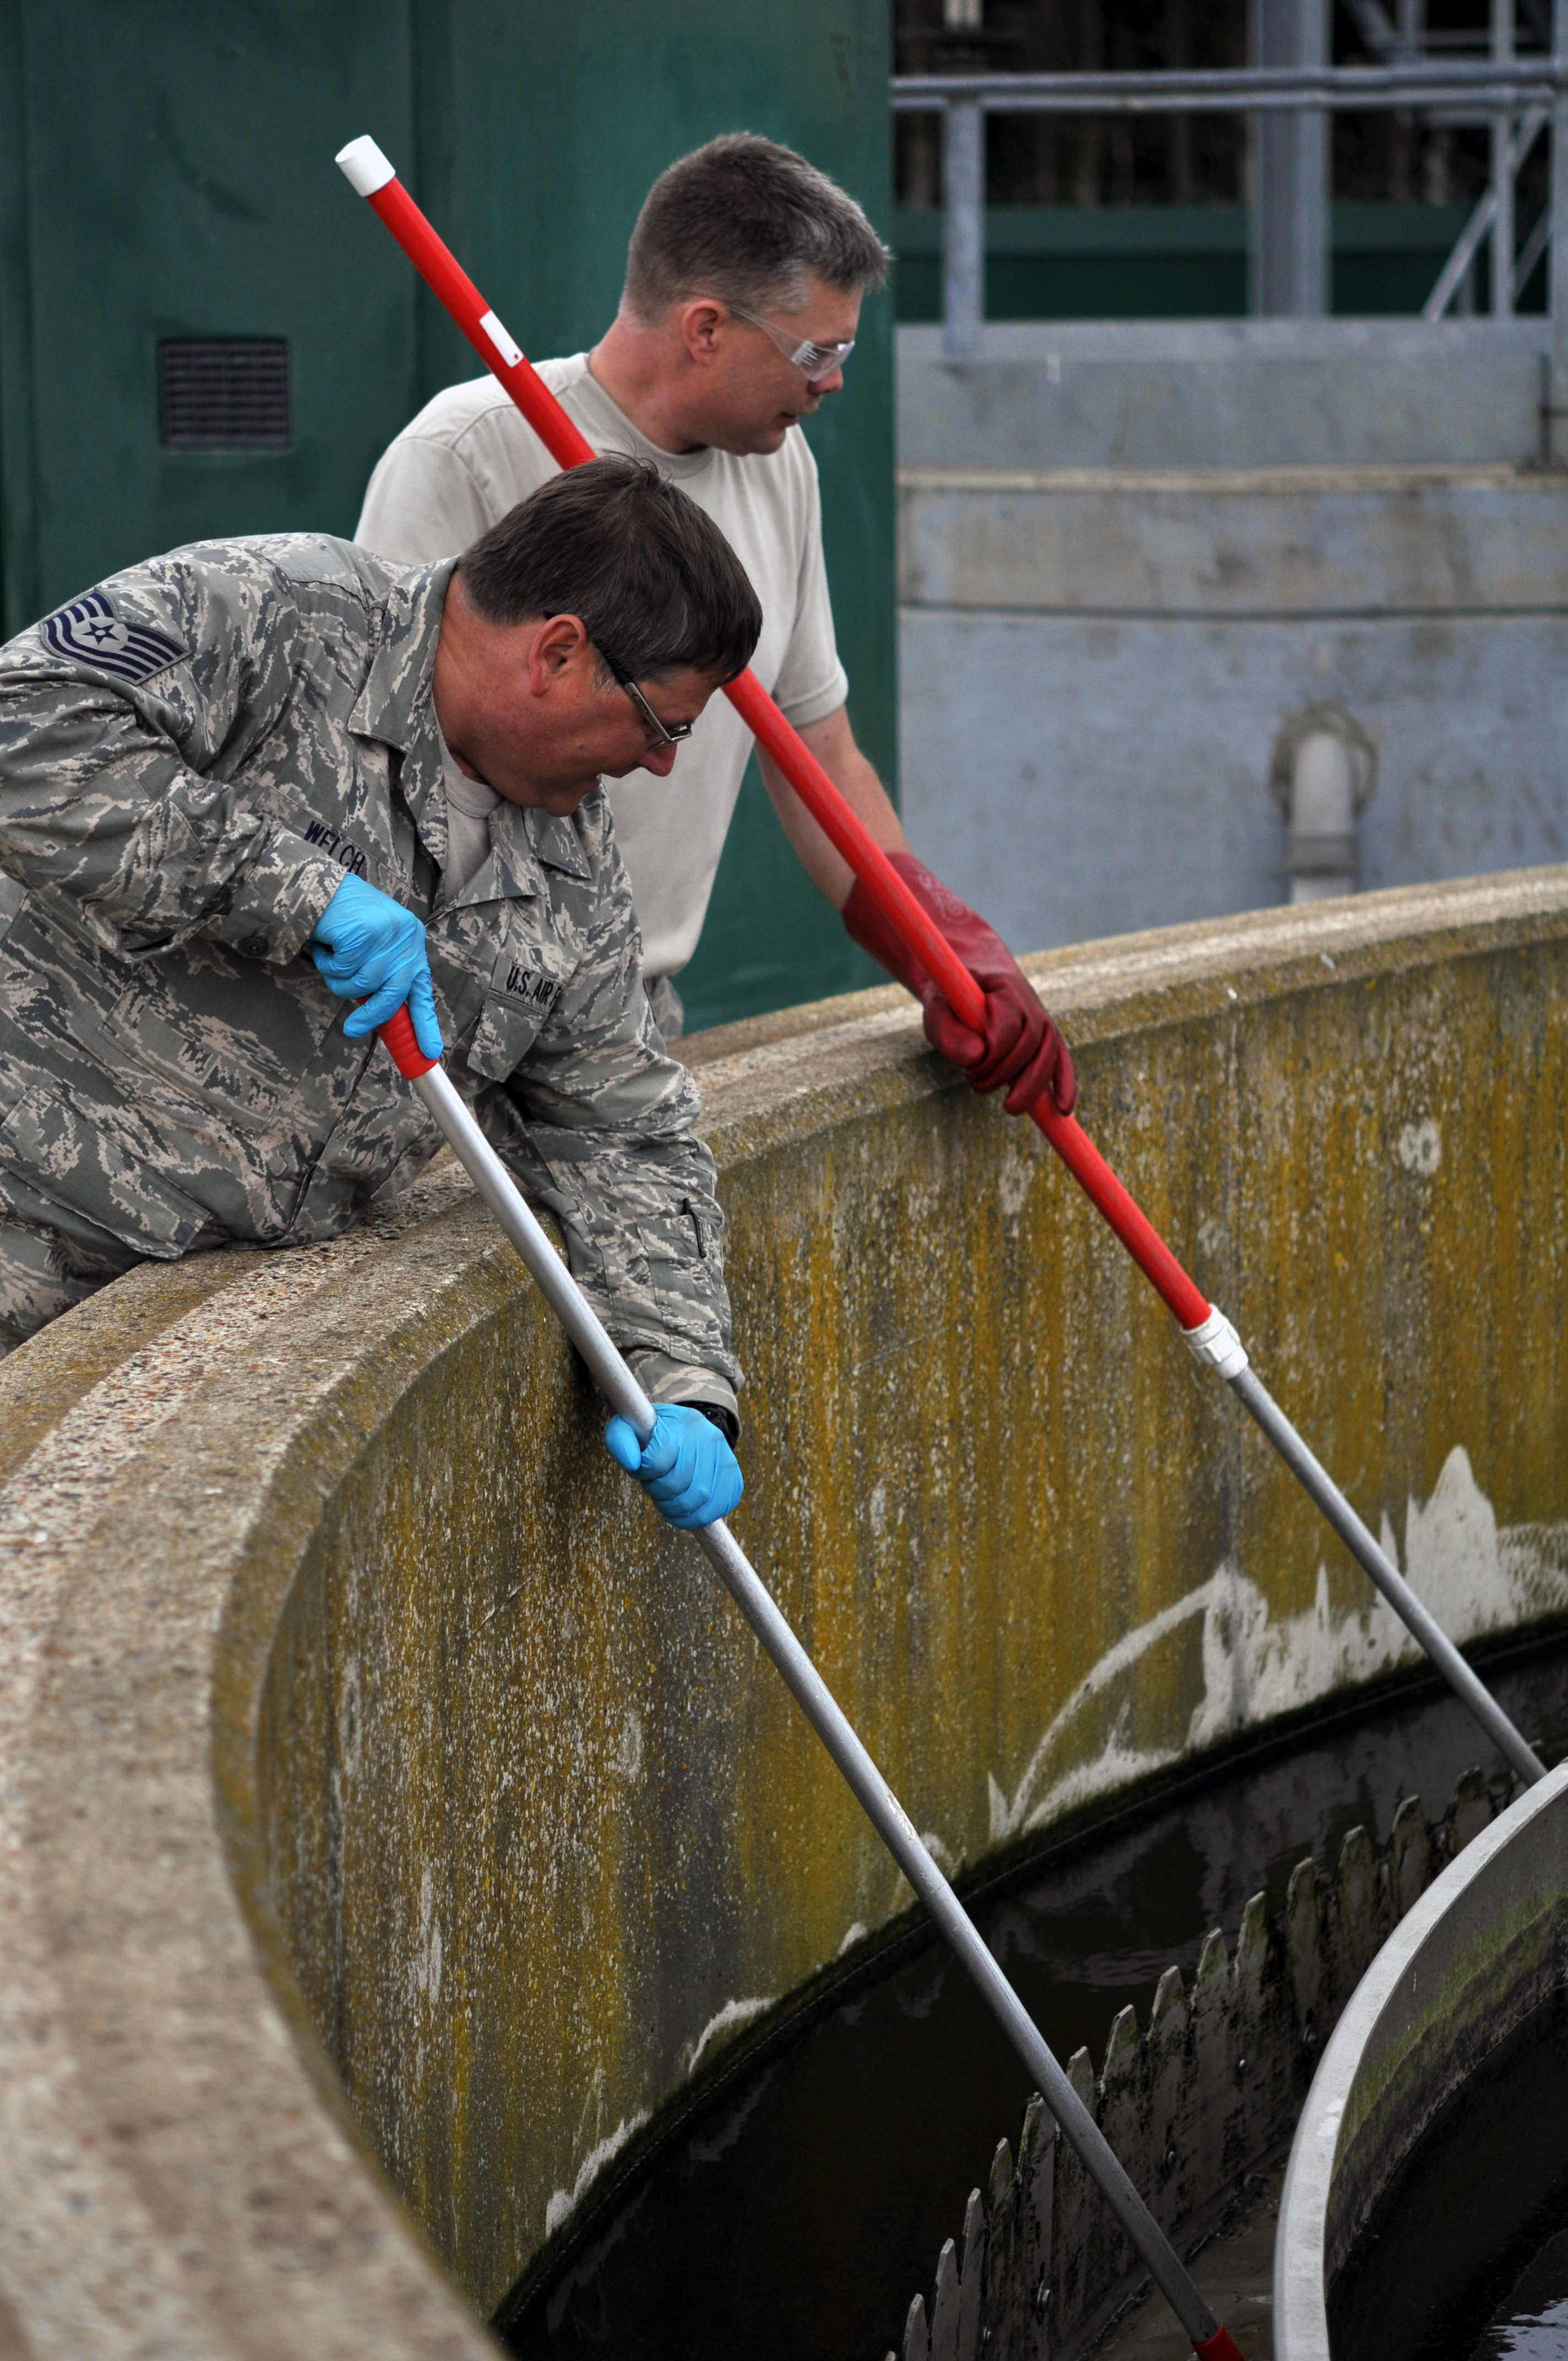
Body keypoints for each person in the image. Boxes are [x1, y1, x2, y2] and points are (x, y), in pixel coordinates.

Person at [0, 456, 756, 1531]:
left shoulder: (571, 856)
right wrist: (295, 890)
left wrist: (686, 1381)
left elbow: (619, 1130)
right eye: (660, 724)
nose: (663, 764)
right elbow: (24, 729)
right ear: (558, 652)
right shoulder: (275, 615)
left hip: (179, 1350)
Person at [357, 132, 1075, 1118]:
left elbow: (817, 753)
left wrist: (937, 945)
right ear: (705, 328)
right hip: (440, 1020)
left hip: (635, 1017)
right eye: (818, 351)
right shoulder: (469, 452)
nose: (834, 381)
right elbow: (371, 759)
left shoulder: (780, 469)